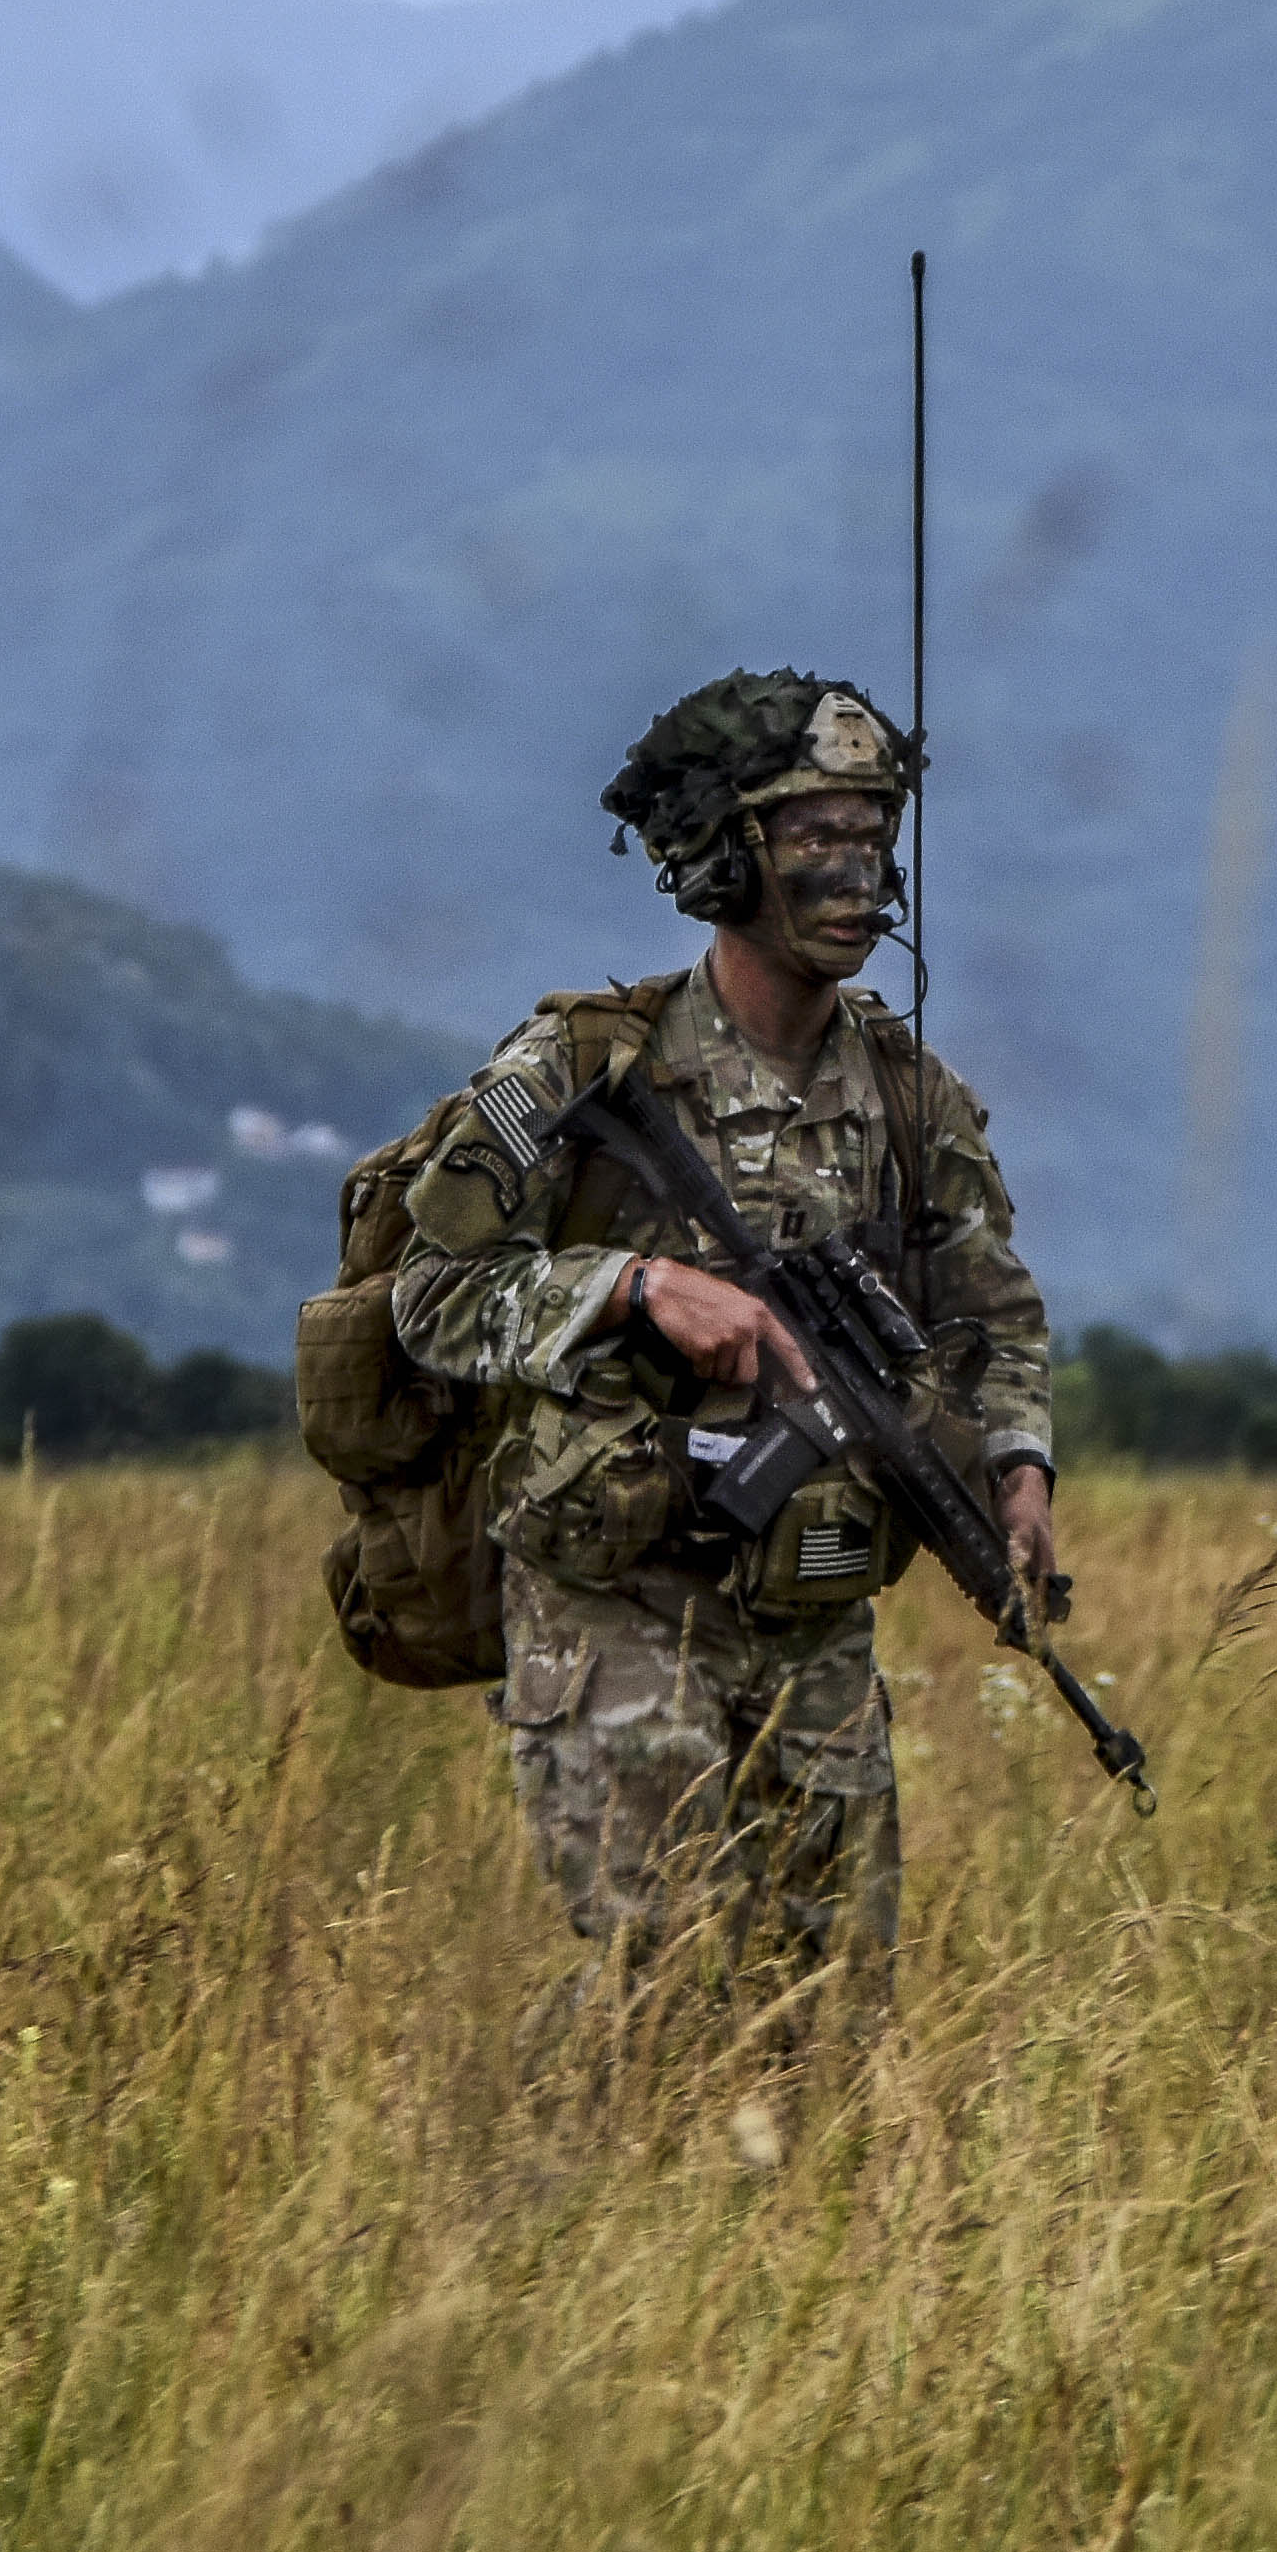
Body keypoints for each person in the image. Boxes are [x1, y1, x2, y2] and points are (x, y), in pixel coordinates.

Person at [388, 668, 1054, 2016]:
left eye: (873, 835)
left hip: (812, 1613)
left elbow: (993, 1313)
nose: (857, 873)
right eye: (816, 836)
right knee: (667, 1985)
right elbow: (431, 1293)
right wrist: (634, 1289)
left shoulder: (911, 1096)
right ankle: (555, 2142)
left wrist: (1018, 1466)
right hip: (617, 1594)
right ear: (724, 857)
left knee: (833, 2011)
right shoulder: (585, 1067)